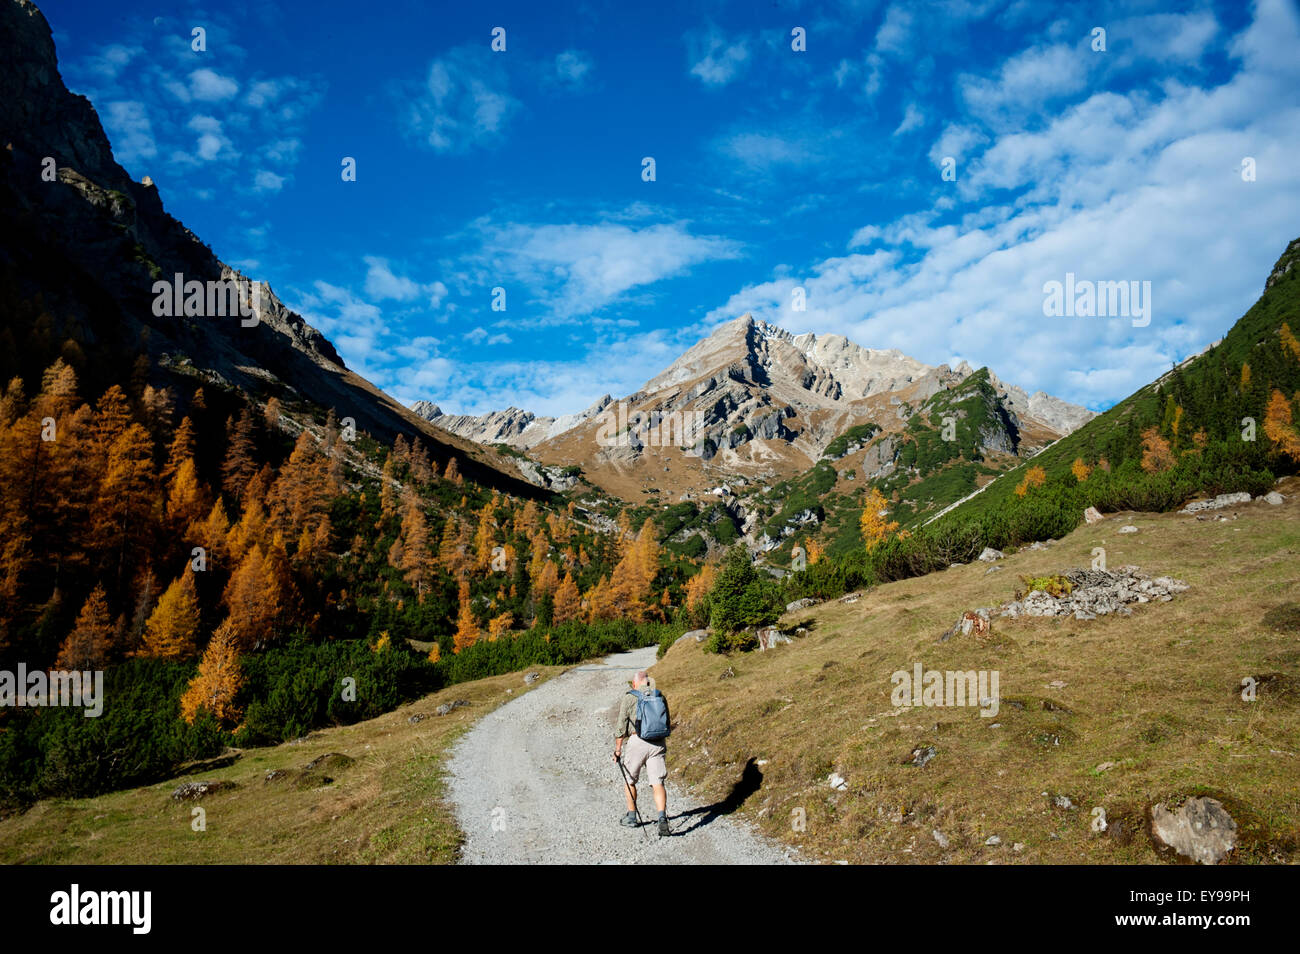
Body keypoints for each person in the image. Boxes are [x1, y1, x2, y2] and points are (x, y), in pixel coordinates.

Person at [613, 669, 671, 837]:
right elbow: (667, 721)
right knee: (657, 781)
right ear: (648, 682)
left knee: (630, 780)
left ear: (634, 684)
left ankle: (632, 817)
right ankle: (662, 818)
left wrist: (618, 749)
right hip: (657, 743)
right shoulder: (659, 696)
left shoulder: (630, 697)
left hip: (637, 741)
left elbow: (621, 725)